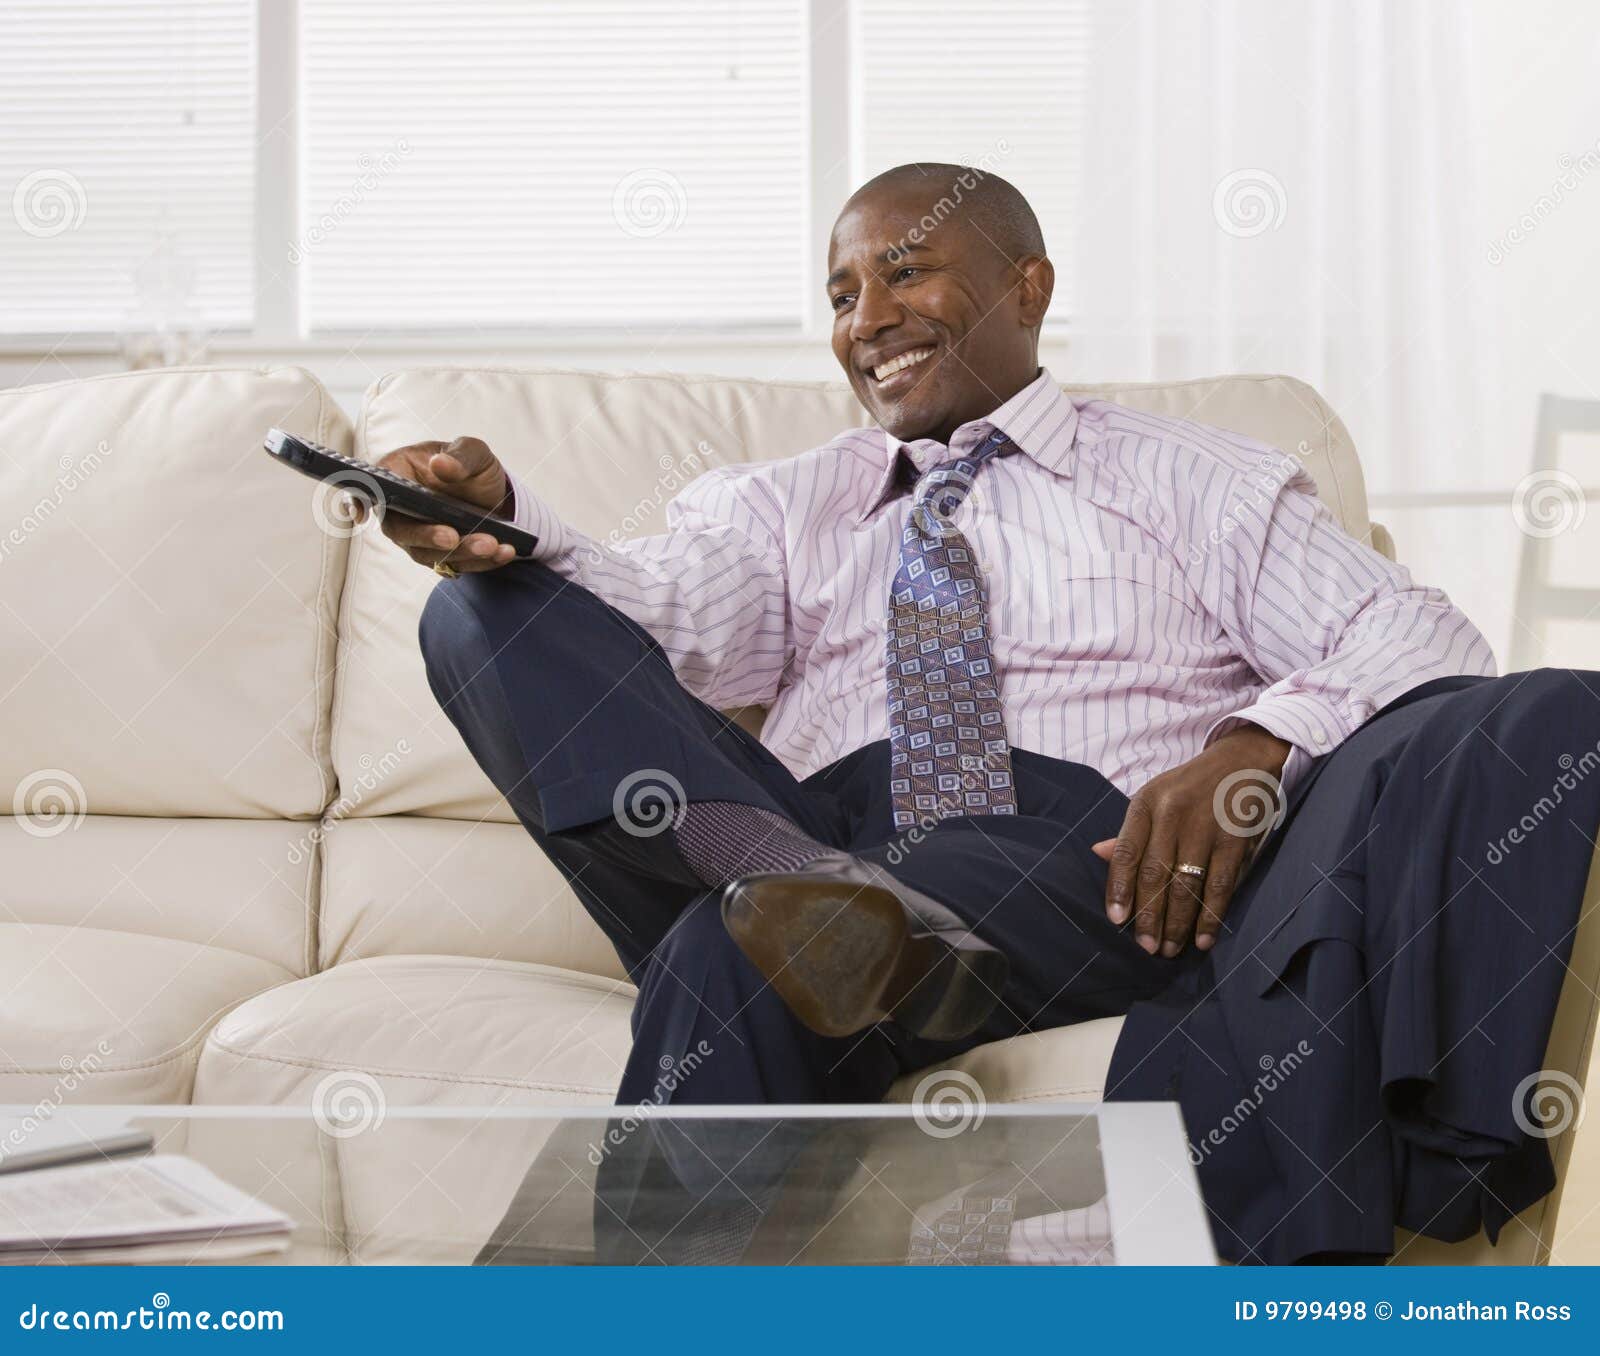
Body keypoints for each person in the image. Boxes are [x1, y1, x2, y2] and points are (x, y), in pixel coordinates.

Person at [377, 163, 1600, 1262]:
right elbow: (667, 622)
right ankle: (821, 910)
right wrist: (506, 528)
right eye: (843, 295)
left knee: (731, 945)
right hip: (802, 834)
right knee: (486, 615)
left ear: (1028, 286)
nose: (866, 321)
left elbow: (1421, 637)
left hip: (1070, 859)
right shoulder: (782, 504)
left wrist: (1252, 748)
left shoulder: (1191, 478)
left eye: (904, 273)